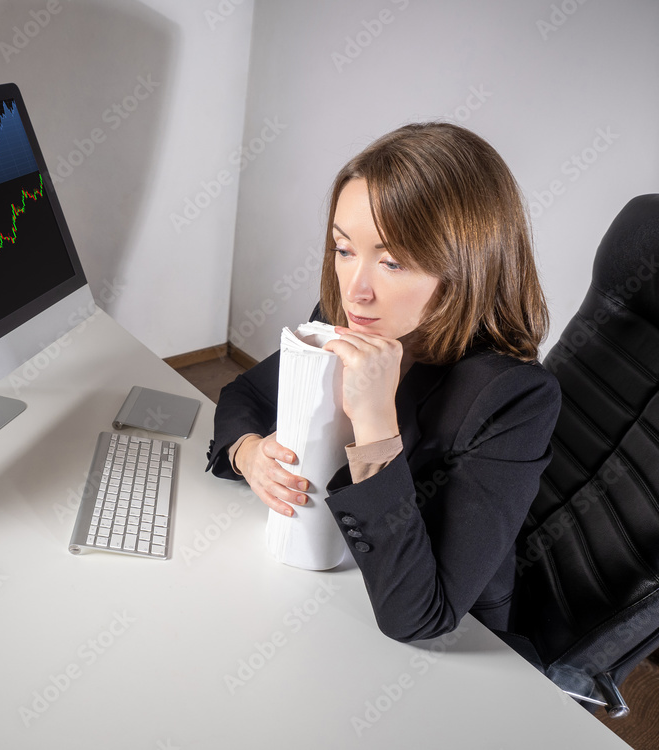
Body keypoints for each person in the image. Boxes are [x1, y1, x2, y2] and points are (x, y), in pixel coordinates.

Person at [207, 122, 561, 644]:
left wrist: (374, 422)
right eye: (344, 249)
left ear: (469, 266)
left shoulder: (512, 398)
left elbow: (419, 616)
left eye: (392, 261)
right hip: (320, 582)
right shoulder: (345, 320)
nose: (356, 291)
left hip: (455, 646)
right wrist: (249, 452)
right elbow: (249, 395)